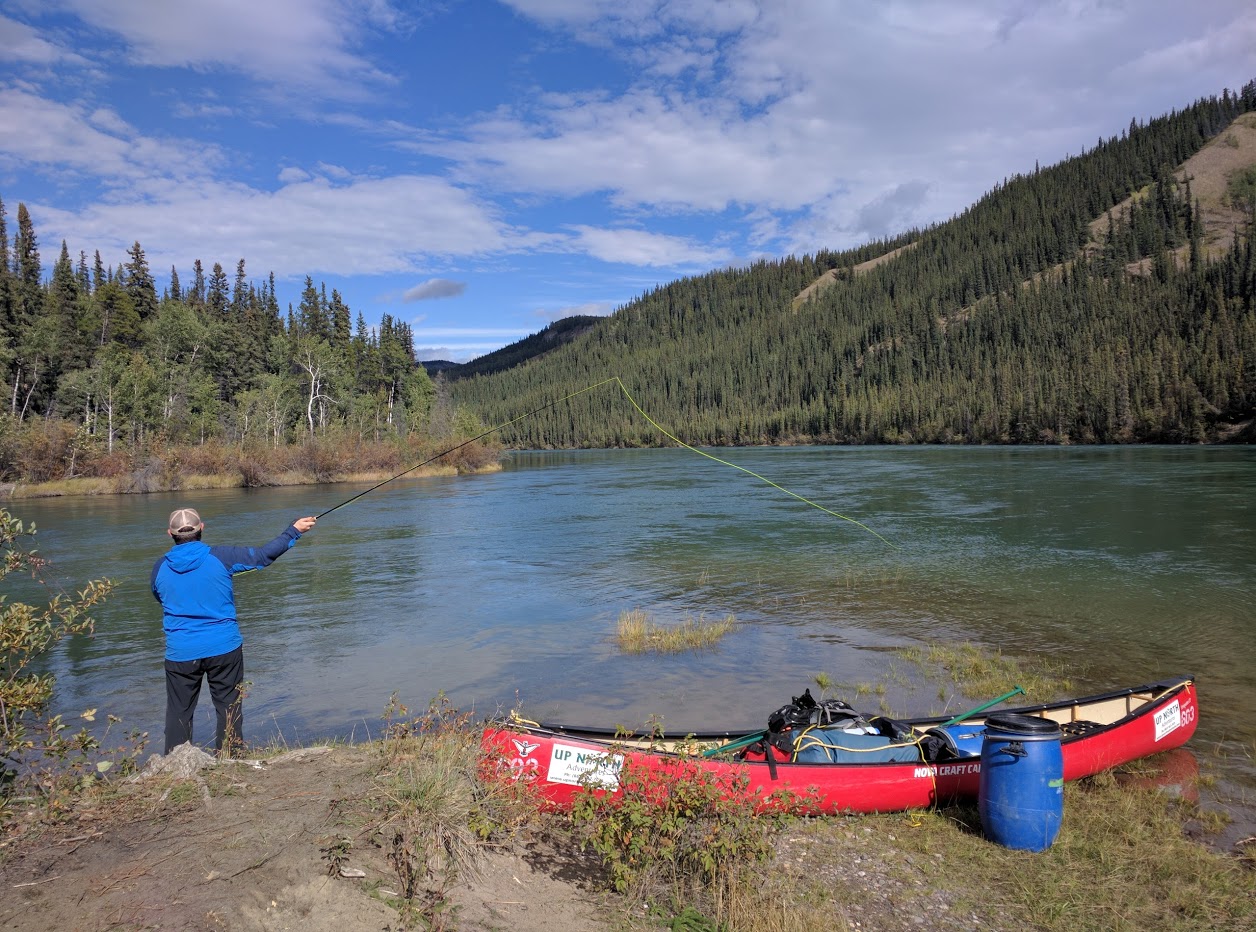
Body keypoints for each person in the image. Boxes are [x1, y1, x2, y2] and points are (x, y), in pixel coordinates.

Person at [151, 507, 317, 755]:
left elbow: (159, 596)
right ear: (201, 528)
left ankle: (176, 766)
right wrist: (294, 531)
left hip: (181, 651)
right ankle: (231, 758)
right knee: (228, 706)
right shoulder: (222, 557)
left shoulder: (159, 567)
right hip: (223, 647)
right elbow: (263, 556)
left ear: (170, 533)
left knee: (178, 711)